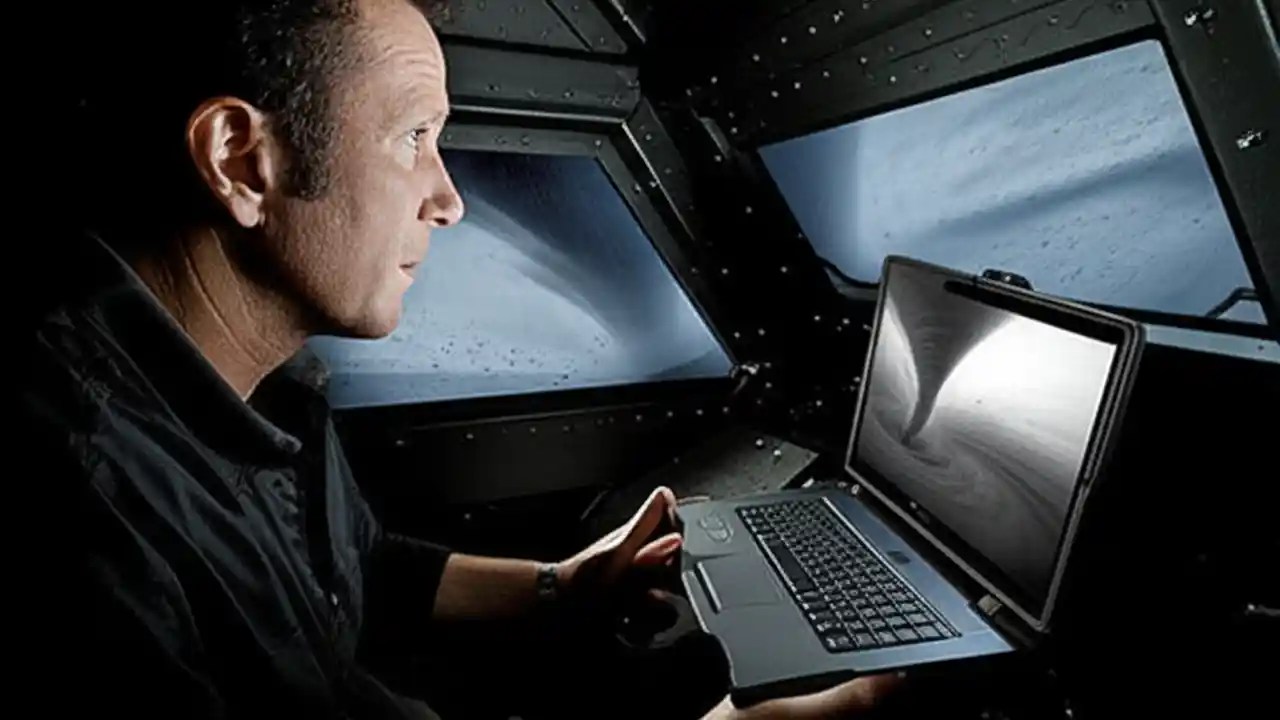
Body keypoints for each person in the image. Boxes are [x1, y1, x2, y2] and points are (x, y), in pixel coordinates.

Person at [26, 1, 898, 717]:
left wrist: (564, 585)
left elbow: (364, 568)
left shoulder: (274, 388)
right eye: (414, 137)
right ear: (241, 162)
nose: (448, 200)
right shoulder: (84, 507)